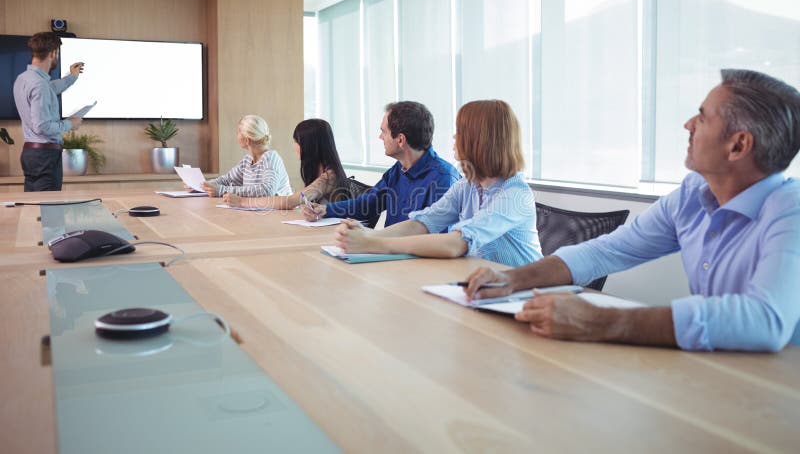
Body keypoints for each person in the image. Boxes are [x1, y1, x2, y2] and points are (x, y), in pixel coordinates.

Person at [466, 69, 800, 352]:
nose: (688, 124)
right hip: (720, 368)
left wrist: (600, 320)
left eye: (702, 116)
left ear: (739, 144)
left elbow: (763, 320)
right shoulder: (692, 194)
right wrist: (511, 279)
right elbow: (606, 250)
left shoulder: (790, 211)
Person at [333, 100, 542, 266]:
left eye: (460, 131)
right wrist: (368, 234)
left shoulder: (514, 194)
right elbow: (424, 223)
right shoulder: (469, 184)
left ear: (481, 140)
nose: (454, 136)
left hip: (523, 295)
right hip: (483, 283)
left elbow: (456, 244)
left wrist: (374, 243)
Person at [302, 101, 460, 227]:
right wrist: (325, 209)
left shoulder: (444, 179)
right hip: (389, 254)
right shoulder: (398, 170)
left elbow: (437, 237)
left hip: (414, 261)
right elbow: (369, 203)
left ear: (400, 140)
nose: (380, 137)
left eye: (383, 132)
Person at [223, 118, 351, 209]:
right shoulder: (320, 172)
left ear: (309, 145)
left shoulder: (329, 177)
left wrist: (242, 201)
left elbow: (290, 201)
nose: (294, 145)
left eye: (296, 141)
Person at [13, 32, 85, 191]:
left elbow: (51, 88)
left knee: (34, 209)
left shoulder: (23, 79)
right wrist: (70, 124)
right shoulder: (39, 85)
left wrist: (72, 77)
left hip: (32, 154)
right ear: (53, 53)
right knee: (49, 210)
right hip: (45, 156)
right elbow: (42, 126)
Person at [201, 114, 292, 197]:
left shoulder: (271, 158)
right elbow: (227, 180)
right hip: (260, 212)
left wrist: (222, 191)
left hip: (278, 214)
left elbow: (266, 191)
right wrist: (202, 185)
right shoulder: (247, 160)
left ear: (247, 140)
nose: (236, 135)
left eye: (238, 132)